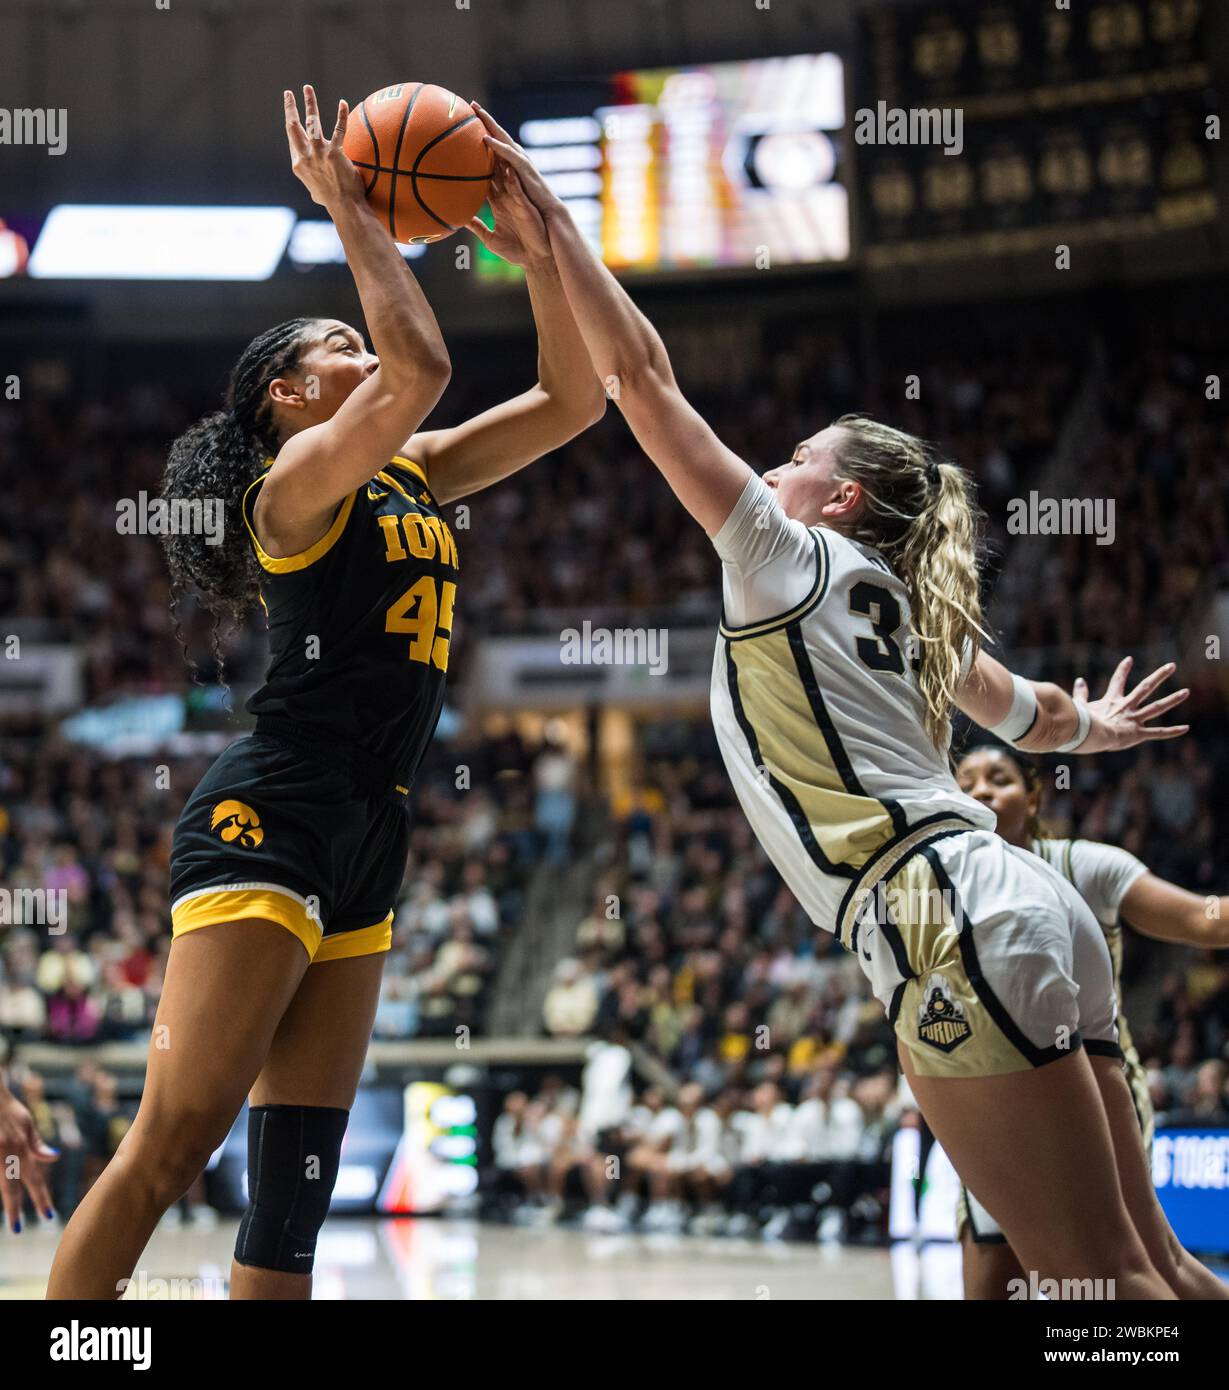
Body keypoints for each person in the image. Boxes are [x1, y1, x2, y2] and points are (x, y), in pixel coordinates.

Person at [478, 105, 1217, 1297]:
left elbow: (638, 375)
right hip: (1019, 906)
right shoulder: (912, 606)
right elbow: (1027, 714)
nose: (771, 467)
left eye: (797, 459)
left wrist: (554, 226)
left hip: (939, 908)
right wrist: (1096, 726)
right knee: (1153, 1270)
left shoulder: (779, 552)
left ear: (835, 501)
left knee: (1087, 1288)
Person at [45, 86, 604, 1301]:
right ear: (286, 400)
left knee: (295, 1184)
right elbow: (419, 360)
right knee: (172, 1144)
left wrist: (536, 243)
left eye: (351, 338)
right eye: (331, 349)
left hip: (370, 824)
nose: (358, 352)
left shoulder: (413, 469)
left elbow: (575, 397)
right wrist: (353, 208)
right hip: (271, 811)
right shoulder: (291, 490)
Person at [953, 742, 1229, 1297]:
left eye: (999, 779)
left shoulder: (1085, 865)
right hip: (991, 1096)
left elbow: (1206, 920)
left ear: (1033, 797)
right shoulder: (945, 886)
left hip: (1096, 1090)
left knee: (1136, 1269)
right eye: (967, 782)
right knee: (992, 1279)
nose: (981, 791)